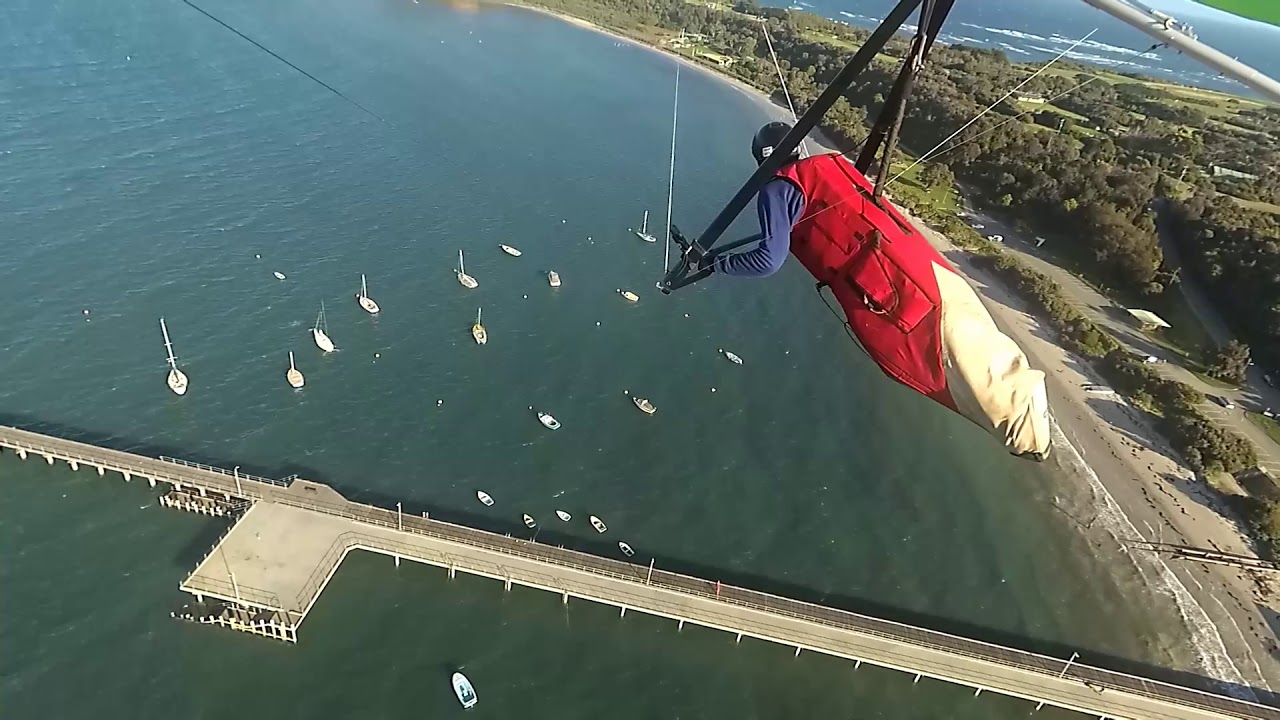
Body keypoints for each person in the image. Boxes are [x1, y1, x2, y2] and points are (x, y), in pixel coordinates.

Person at [705, 121, 1052, 461]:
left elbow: (768, 260)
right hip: (926, 269)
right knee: (983, 348)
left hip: (898, 298)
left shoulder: (777, 188)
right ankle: (1031, 416)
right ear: (797, 149)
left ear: (764, 162)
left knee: (957, 365)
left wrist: (718, 265)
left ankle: (1027, 433)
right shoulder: (830, 163)